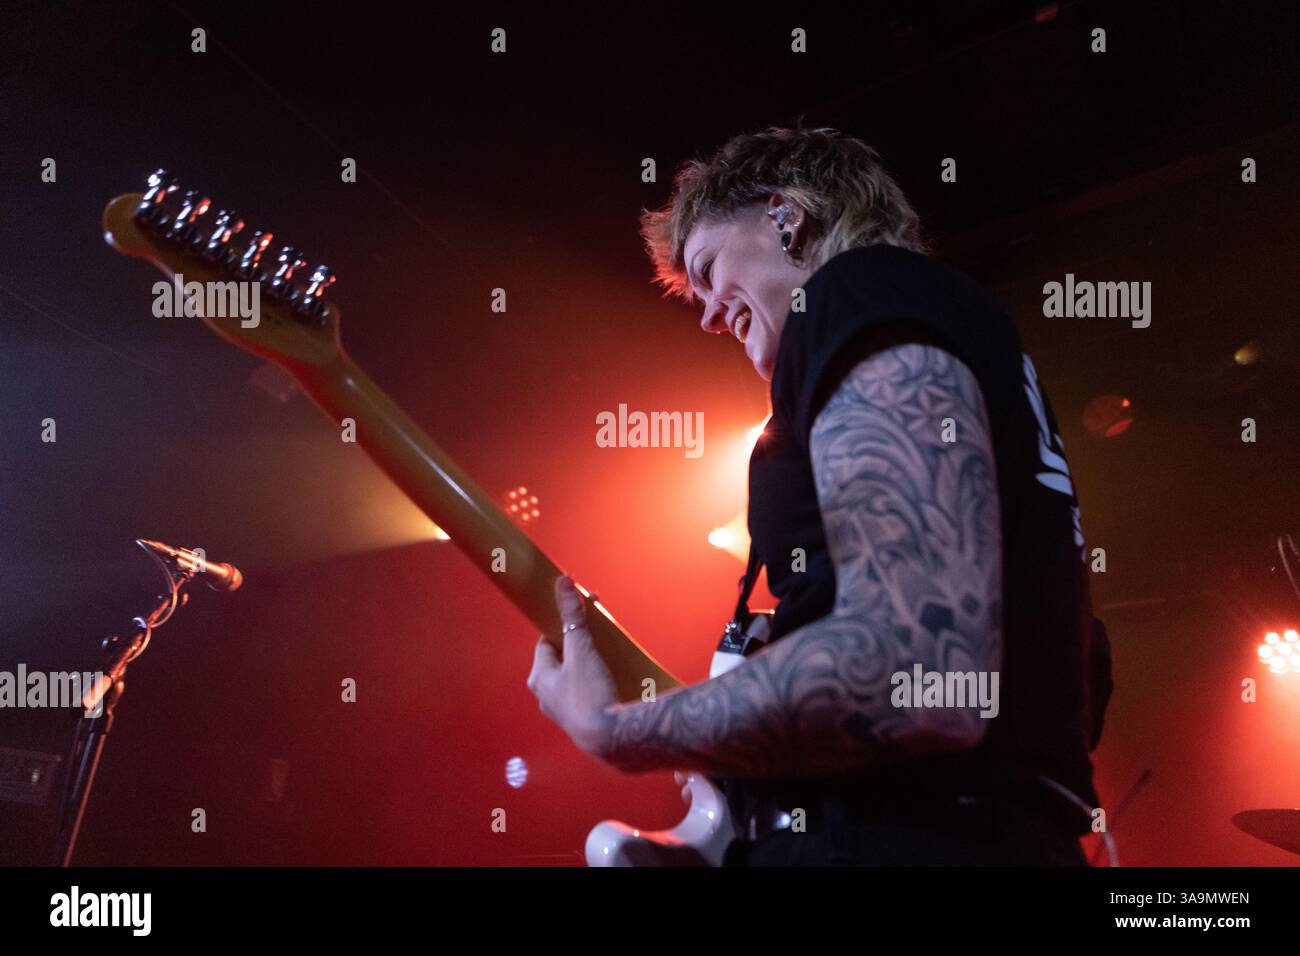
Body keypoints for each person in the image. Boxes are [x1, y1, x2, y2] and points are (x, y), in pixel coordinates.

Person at [527, 126, 1111, 865]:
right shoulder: (958, 330)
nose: (707, 315)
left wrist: (617, 728)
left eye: (708, 269)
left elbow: (921, 672)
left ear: (785, 216)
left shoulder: (858, 287)